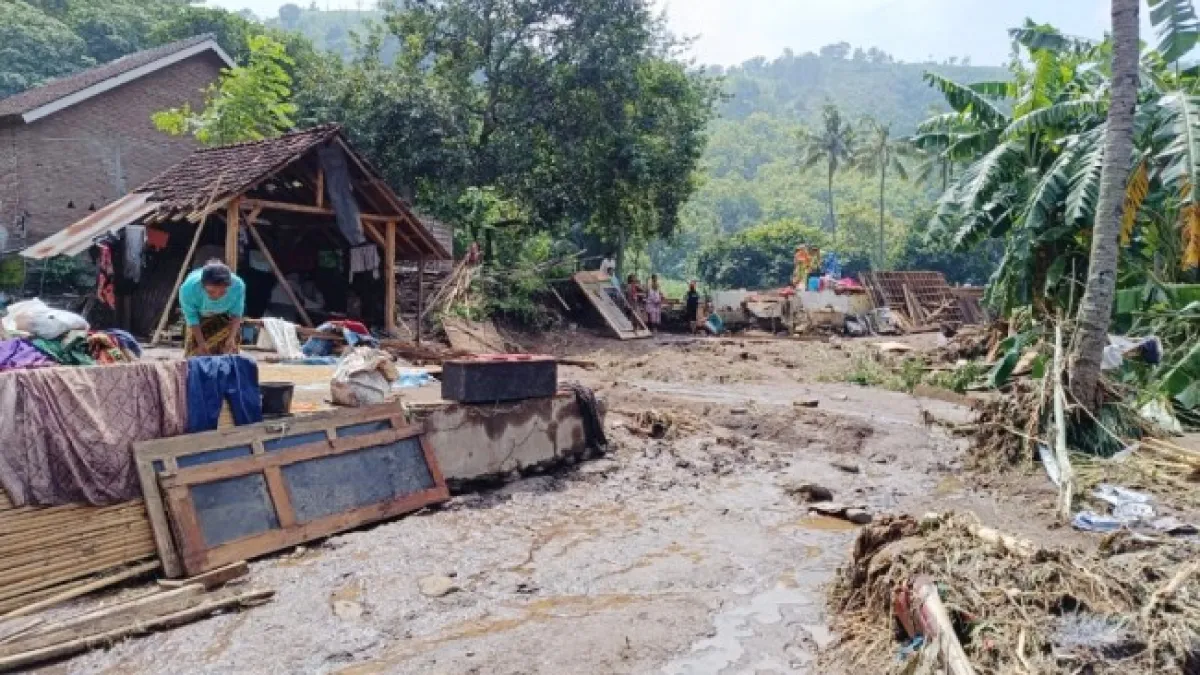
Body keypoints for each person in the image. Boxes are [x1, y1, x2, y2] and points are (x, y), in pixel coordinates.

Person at [180, 260, 246, 357]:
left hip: (224, 313)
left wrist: (231, 338)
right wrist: (201, 343)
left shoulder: (238, 287)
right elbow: (192, 318)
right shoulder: (188, 289)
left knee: (229, 350)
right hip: (199, 314)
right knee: (195, 353)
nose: (217, 296)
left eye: (222, 292)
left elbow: (236, 314)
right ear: (202, 286)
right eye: (211, 292)